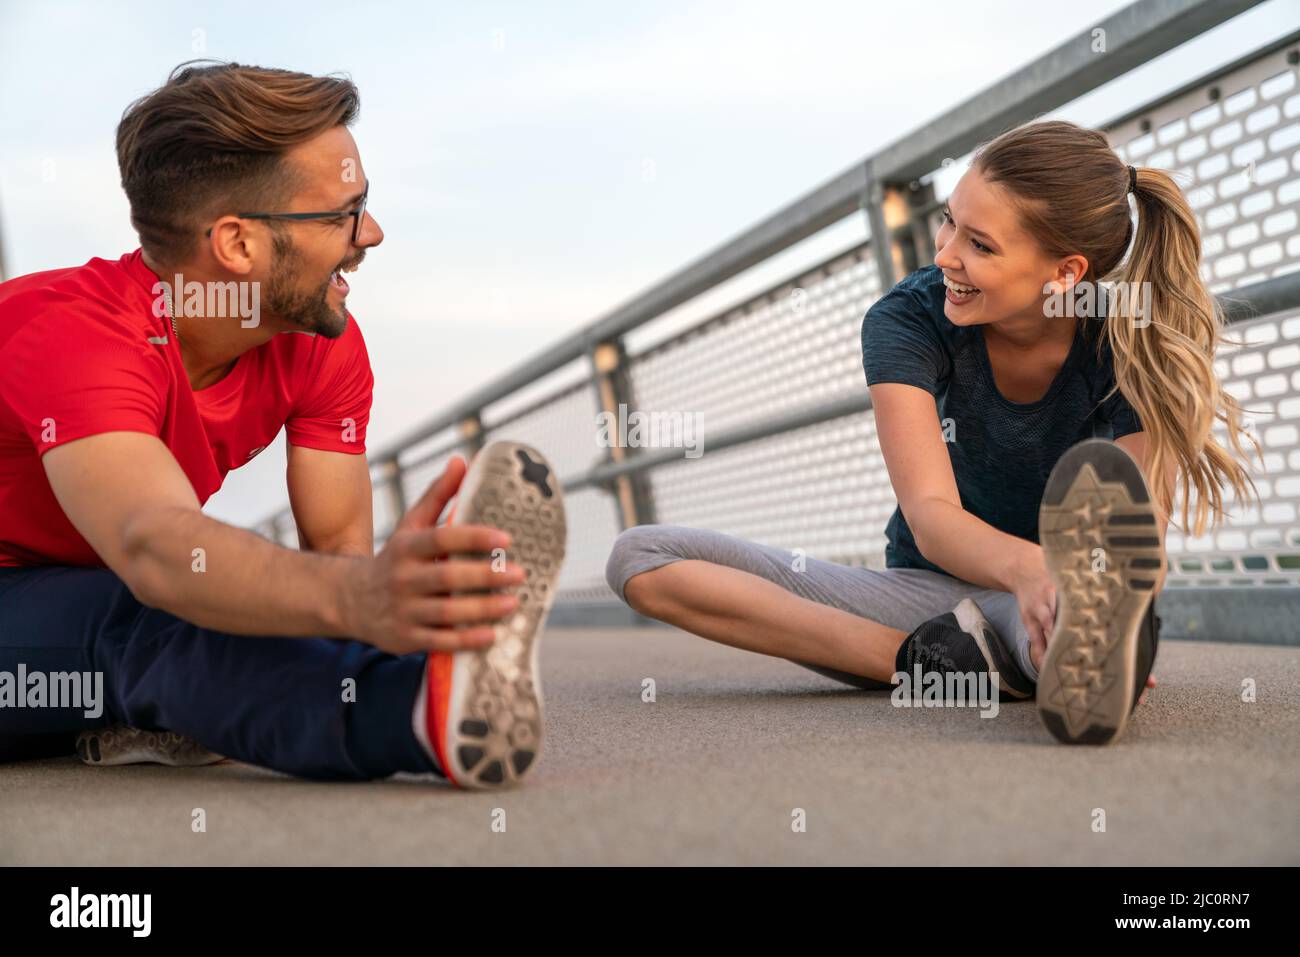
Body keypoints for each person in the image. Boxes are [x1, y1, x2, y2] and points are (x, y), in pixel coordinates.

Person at [0, 61, 565, 789]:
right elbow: (152, 543)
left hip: (69, 612)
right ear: (238, 244)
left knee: (202, 603)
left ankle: (434, 676)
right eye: (341, 215)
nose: (373, 233)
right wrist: (356, 596)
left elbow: (335, 558)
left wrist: (395, 602)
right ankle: (418, 712)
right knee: (147, 608)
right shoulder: (75, 332)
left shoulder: (318, 341)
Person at [605, 120, 1260, 745]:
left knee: (1066, 615)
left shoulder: (1132, 343)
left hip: (1057, 595)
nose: (944, 253)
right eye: (950, 219)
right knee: (640, 557)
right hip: (929, 596)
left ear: (1065, 274)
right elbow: (932, 518)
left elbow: (1137, 533)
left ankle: (1063, 651)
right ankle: (934, 666)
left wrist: (1086, 593)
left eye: (980, 244)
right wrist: (1027, 569)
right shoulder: (907, 319)